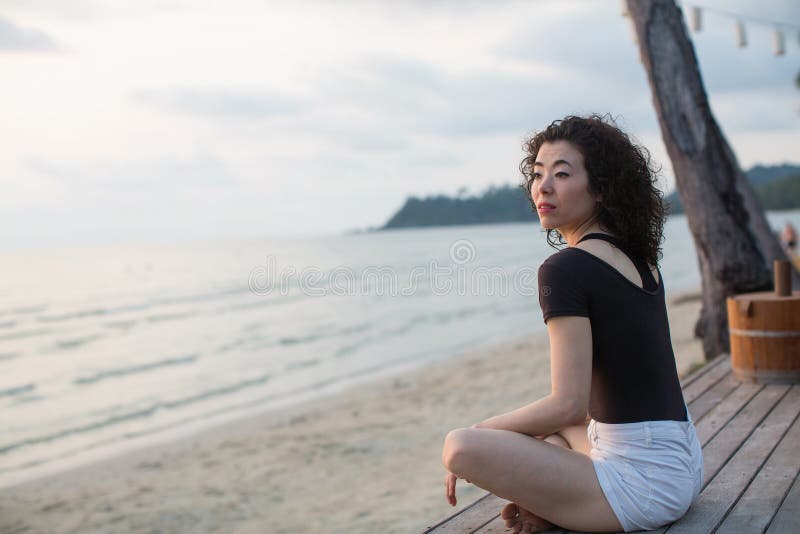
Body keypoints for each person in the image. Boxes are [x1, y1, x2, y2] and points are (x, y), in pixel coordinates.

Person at [441, 114, 703, 533]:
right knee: (558, 435)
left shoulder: (565, 269)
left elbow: (568, 403)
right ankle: (546, 511)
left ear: (600, 188)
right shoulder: (638, 258)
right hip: (683, 464)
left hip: (643, 487)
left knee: (459, 446)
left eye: (561, 174)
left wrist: (482, 429)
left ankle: (549, 509)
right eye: (538, 174)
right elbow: (574, 415)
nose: (543, 187)